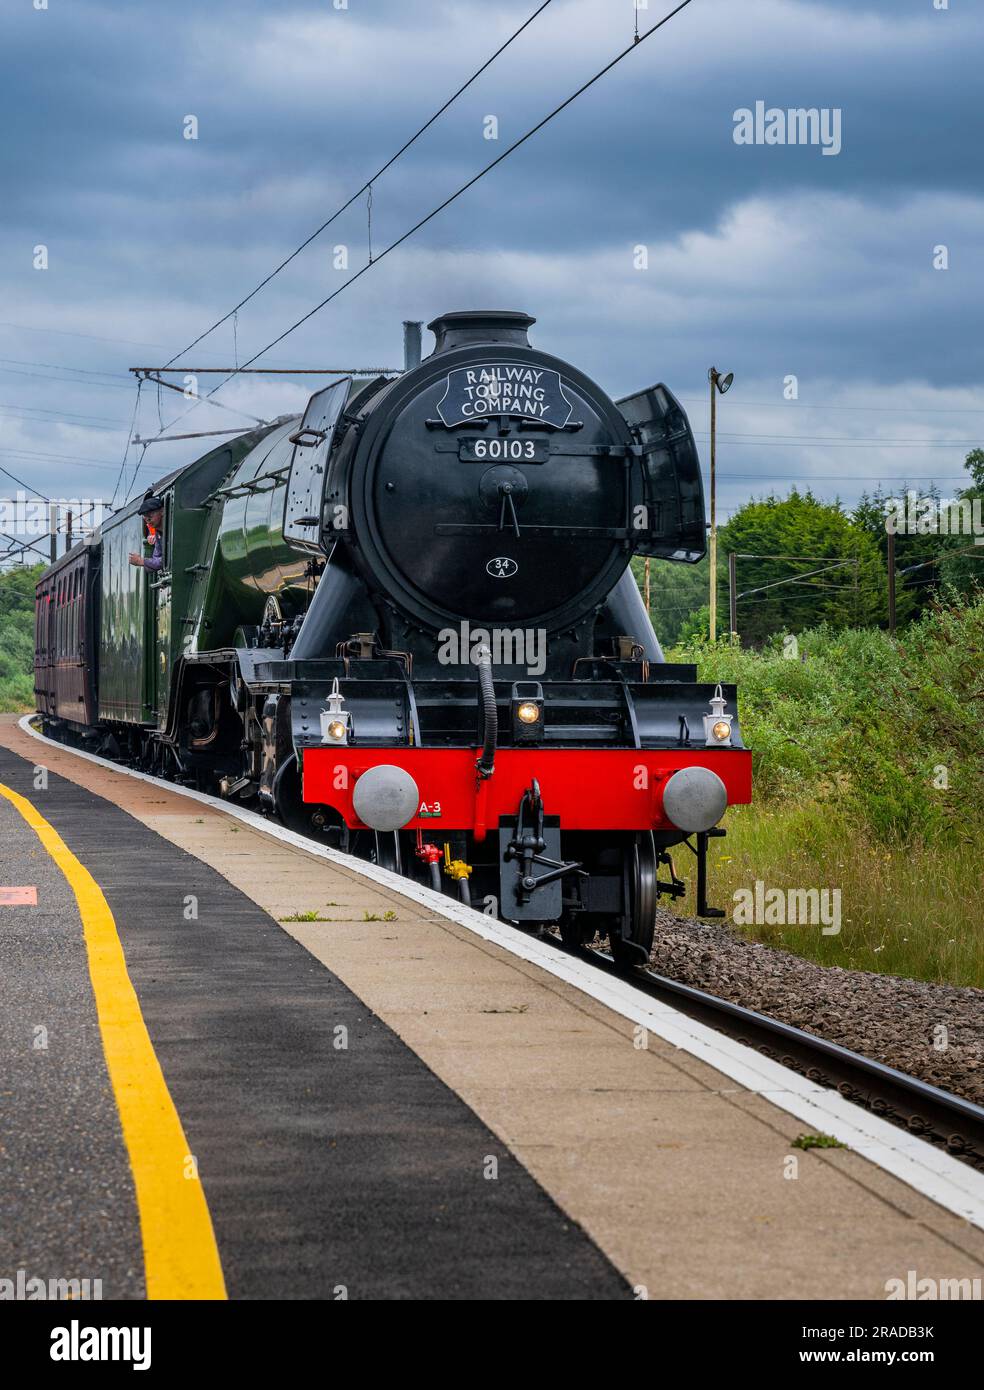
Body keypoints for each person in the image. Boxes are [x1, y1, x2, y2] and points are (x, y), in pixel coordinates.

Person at [129, 495, 165, 573]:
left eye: (150, 515)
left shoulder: (171, 530)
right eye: (145, 516)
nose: (148, 519)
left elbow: (168, 560)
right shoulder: (158, 534)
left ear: (162, 511)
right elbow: (156, 559)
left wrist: (142, 561)